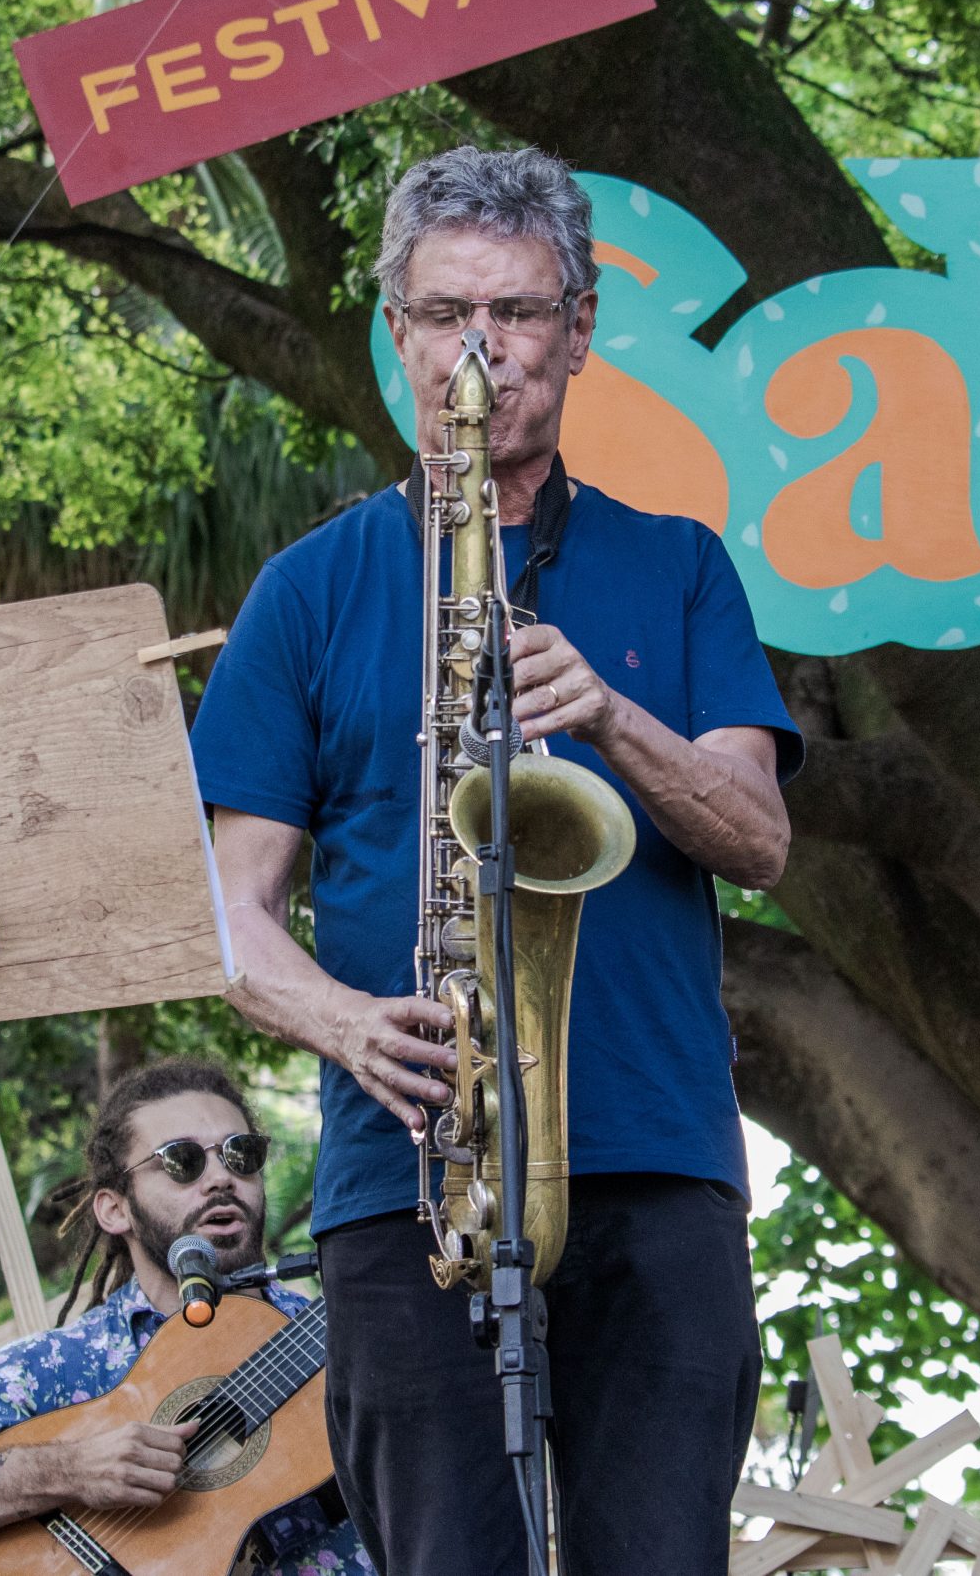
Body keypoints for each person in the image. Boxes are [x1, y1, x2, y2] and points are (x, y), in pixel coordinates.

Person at [191, 145, 801, 1574]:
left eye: (519, 312)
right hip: (413, 1175)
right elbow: (227, 913)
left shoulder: (683, 563)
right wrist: (343, 1021)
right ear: (397, 329)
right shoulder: (310, 589)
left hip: (654, 1162)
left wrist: (613, 715)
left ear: (579, 331)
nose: (483, 346)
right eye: (447, 309)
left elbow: (762, 837)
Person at [0, 1059, 374, 1575]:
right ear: (114, 1208)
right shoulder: (61, 1364)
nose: (219, 1178)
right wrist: (70, 1471)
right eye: (182, 1161)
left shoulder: (354, 1339)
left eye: (240, 1155)